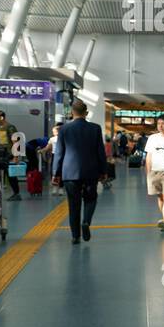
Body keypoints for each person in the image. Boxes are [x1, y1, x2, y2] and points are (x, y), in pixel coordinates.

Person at [51, 99, 108, 244]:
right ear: (86, 113)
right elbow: (100, 151)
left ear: (72, 113)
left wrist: (55, 173)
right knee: (90, 199)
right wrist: (103, 171)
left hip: (69, 172)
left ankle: (75, 236)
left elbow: (59, 153)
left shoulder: (63, 129)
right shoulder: (95, 128)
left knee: (73, 204)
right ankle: (86, 222)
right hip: (90, 171)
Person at [0, 110, 22, 200]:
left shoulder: (10, 127)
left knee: (11, 174)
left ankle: (16, 194)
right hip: (1, 154)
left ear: (2, 117)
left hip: (9, 154)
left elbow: (16, 142)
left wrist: (15, 157)